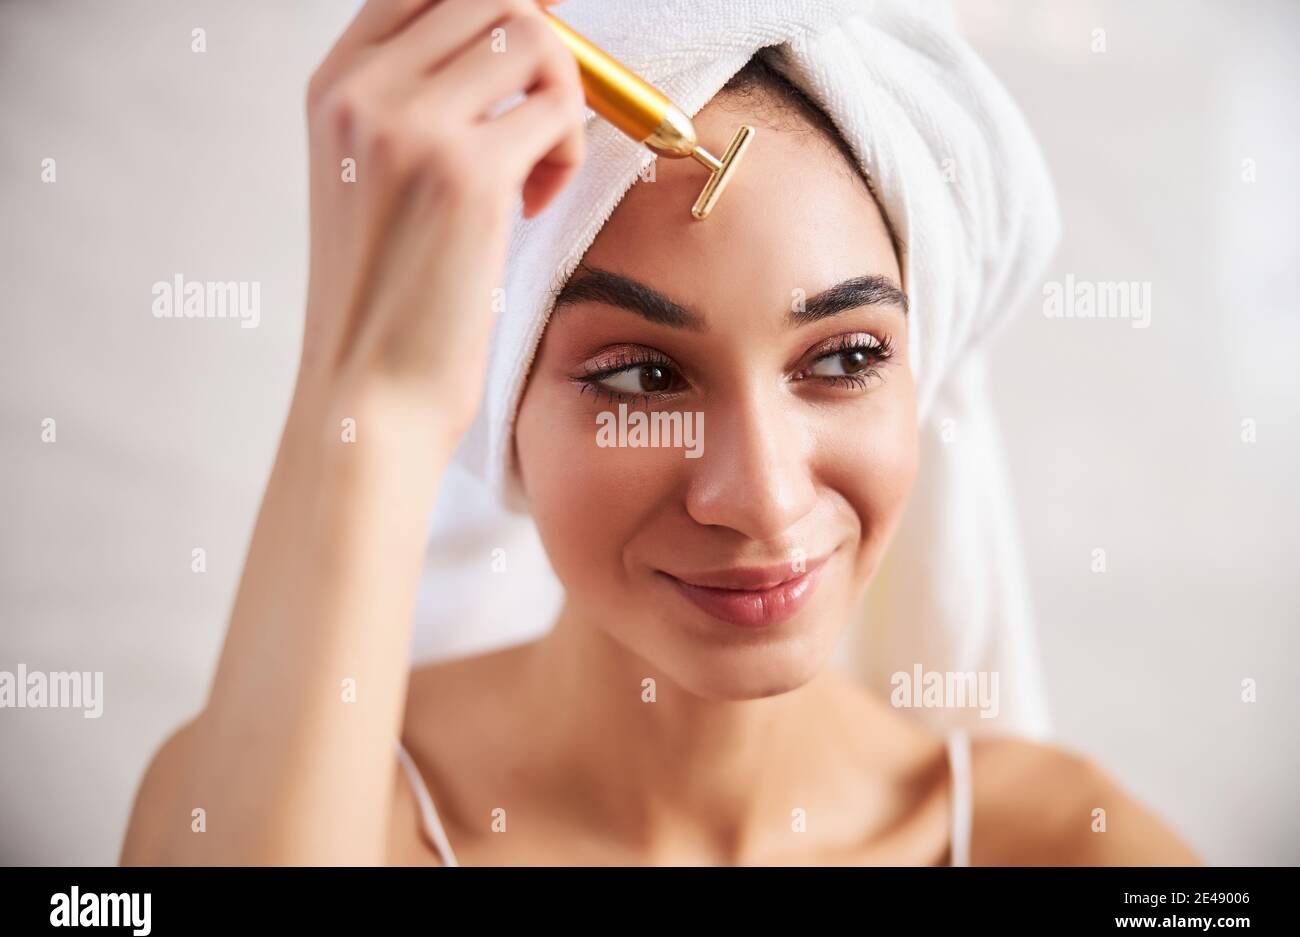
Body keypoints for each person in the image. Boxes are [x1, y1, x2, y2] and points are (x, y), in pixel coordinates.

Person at [120, 0, 1201, 866]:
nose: (764, 498)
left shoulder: (1065, 846)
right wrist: (368, 393)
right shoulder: (281, 807)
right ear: (499, 408)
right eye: (641, 376)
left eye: (844, 357)